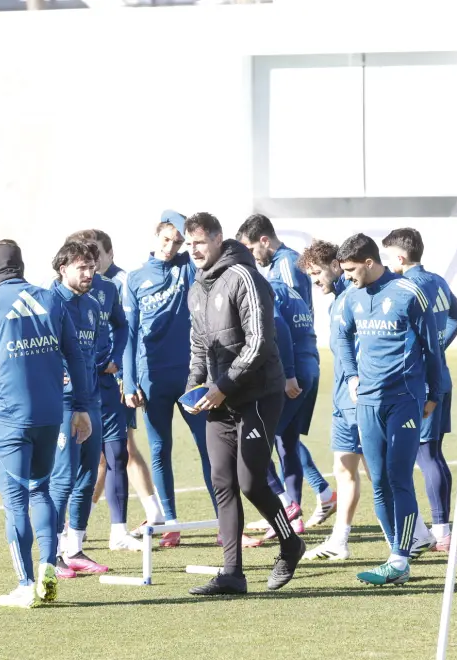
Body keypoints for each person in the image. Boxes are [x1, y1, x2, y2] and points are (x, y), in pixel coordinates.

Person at [0, 239, 93, 609]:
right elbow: (77, 357)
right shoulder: (51, 300)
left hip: (10, 421)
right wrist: (81, 406)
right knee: (41, 492)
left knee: (16, 501)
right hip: (51, 416)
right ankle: (48, 566)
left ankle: (24, 584)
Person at [183, 211, 305, 595]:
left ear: (218, 239)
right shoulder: (196, 288)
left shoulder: (245, 278)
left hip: (258, 394)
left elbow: (260, 342)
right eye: (190, 244)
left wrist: (222, 384)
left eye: (200, 242)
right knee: (222, 480)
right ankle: (232, 573)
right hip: (219, 397)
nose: (194, 250)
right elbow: (199, 346)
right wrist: (194, 388)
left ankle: (290, 543)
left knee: (252, 481)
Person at [336, 233, 442, 586]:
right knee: (378, 480)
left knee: (399, 478)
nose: (347, 276)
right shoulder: (350, 298)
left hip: (404, 400)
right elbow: (341, 338)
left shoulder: (408, 293)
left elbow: (432, 348)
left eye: (351, 269)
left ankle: (401, 558)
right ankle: (396, 552)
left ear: (369, 262)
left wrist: (434, 393)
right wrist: (351, 376)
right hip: (367, 401)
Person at [122, 211, 217, 547]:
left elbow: (190, 233)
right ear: (154, 238)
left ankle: (224, 521)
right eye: (166, 239)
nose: (171, 246)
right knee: (160, 449)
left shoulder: (186, 267)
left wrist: (181, 223)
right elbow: (128, 334)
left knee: (209, 448)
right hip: (152, 379)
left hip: (191, 376)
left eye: (177, 241)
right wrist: (129, 380)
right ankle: (171, 521)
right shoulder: (134, 279)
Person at [237, 214, 336, 527]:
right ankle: (296, 510)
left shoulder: (284, 266)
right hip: (303, 359)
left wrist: (287, 370)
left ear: (264, 240)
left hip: (292, 362)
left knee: (262, 438)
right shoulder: (277, 266)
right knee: (285, 438)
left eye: (252, 248)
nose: (252, 256)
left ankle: (294, 500)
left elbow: (286, 320)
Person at [382, 227, 457, 555]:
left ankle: (442, 531)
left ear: (400, 257)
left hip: (423, 382)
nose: (388, 263)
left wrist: (427, 349)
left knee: (425, 453)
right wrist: (439, 344)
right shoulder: (438, 280)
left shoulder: (408, 286)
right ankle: (442, 528)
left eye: (389, 256)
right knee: (433, 453)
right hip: (440, 375)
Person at [64, 230, 142, 553]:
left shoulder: (109, 289)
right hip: (73, 389)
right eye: (82, 260)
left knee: (118, 454)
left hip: (106, 386)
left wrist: (115, 358)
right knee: (72, 463)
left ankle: (118, 531)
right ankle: (63, 536)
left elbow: (123, 326)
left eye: (93, 257)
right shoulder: (56, 294)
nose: (89, 265)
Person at [88, 228, 167, 536]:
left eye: (97, 252)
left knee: (111, 453)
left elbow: (130, 333)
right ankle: (153, 511)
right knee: (119, 451)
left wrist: (126, 376)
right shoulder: (91, 285)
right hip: (109, 379)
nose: (91, 259)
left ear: (110, 254)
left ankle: (73, 526)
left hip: (118, 380)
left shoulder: (119, 283)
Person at [299, 239, 366, 561]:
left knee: (378, 475)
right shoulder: (336, 301)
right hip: (342, 401)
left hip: (360, 400)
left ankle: (413, 537)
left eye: (317, 272)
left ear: (336, 265)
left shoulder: (356, 298)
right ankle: (339, 540)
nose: (314, 281)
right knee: (343, 468)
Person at [46, 241, 108, 578]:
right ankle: (51, 553)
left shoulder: (92, 306)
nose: (89, 274)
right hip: (63, 404)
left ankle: (76, 548)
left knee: (88, 475)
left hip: (92, 401)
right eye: (81, 267)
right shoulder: (49, 303)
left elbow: (96, 350)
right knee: (63, 477)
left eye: (92, 267)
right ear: (63, 268)